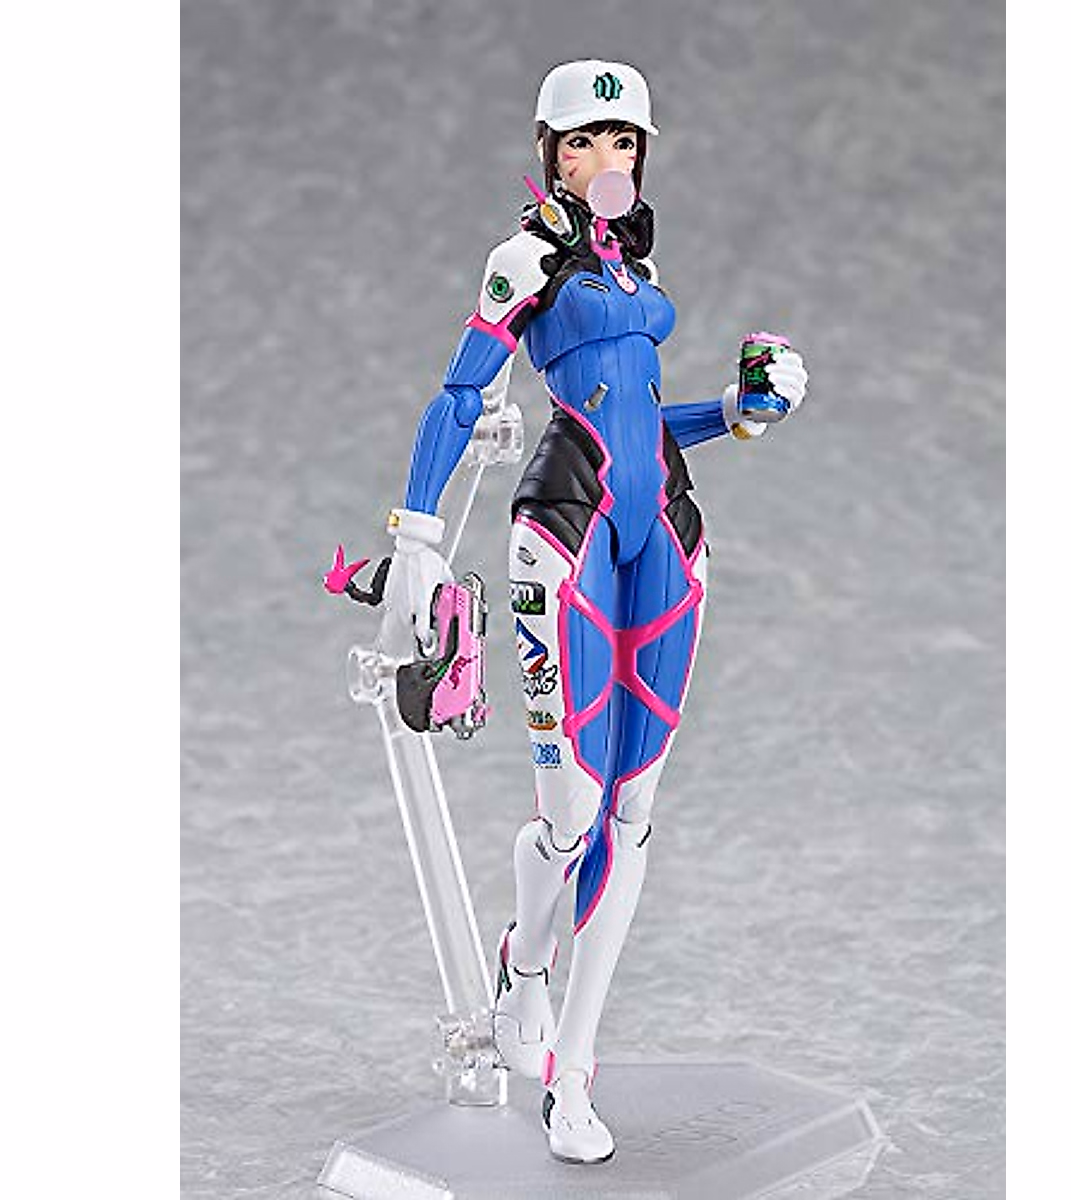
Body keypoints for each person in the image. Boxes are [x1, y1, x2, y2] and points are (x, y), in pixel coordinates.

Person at [378, 60, 808, 1163]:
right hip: (563, 528)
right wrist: (417, 541)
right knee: (569, 808)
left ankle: (574, 1072)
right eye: (583, 142)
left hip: (660, 526)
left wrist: (741, 411)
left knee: (633, 810)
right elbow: (460, 393)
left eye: (622, 142)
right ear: (550, 153)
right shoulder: (523, 259)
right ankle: (524, 967)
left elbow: (643, 417)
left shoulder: (633, 262)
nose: (605, 160)